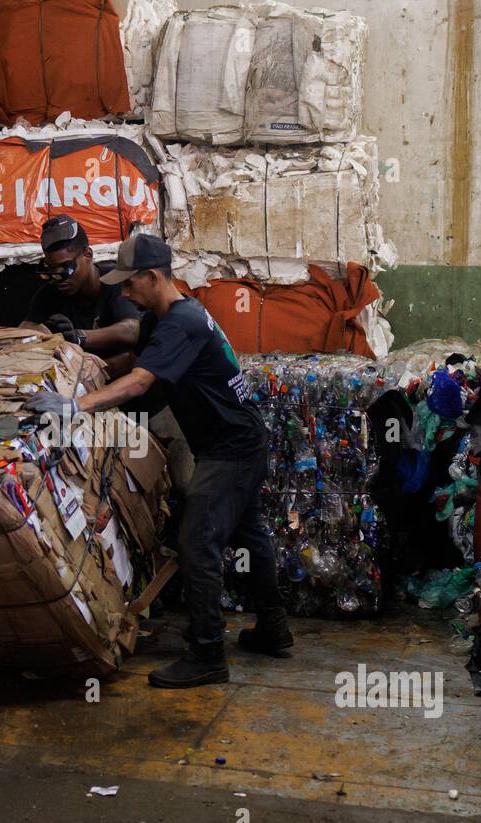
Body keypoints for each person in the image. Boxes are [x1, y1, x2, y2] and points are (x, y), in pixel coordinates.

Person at [26, 234, 292, 688]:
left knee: (197, 542)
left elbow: (140, 382)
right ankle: (273, 628)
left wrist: (76, 408)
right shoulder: (163, 317)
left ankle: (208, 653)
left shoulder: (182, 321)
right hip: (235, 441)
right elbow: (133, 360)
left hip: (232, 448)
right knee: (248, 534)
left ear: (153, 277)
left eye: (130, 285)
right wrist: (79, 373)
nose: (124, 294)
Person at [23, 215, 143, 357]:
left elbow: (132, 330)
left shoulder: (115, 280)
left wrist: (79, 337)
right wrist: (43, 332)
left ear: (88, 254)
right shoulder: (50, 292)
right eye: (52, 268)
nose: (59, 278)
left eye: (66, 267)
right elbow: (24, 329)